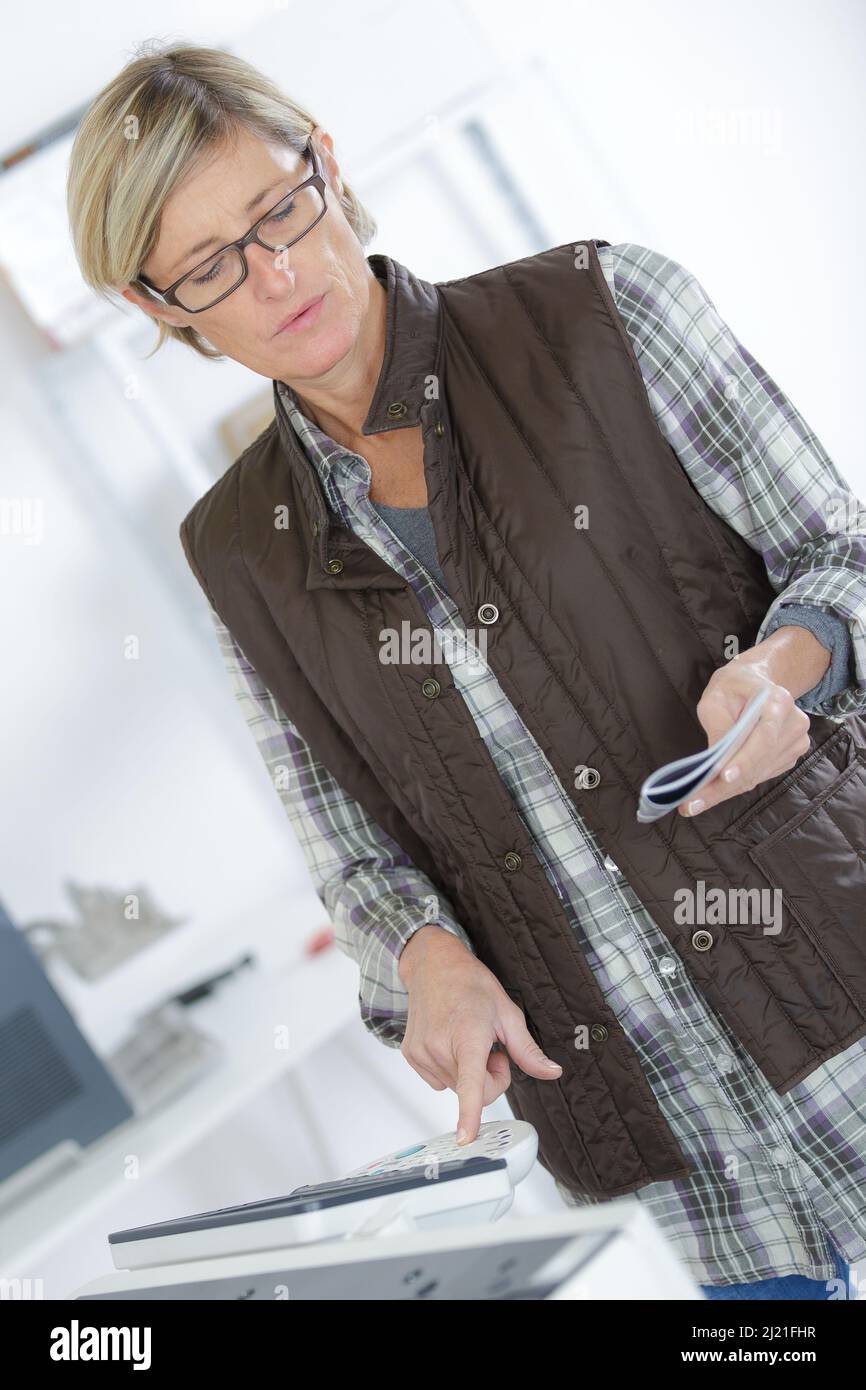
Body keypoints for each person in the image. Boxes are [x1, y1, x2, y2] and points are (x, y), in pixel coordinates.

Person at [66, 41, 866, 1299]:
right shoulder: (235, 553)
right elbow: (353, 854)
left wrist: (793, 660)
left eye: (279, 208)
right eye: (214, 264)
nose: (277, 275)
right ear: (159, 307)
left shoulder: (604, 311)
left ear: (325, 161)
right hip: (681, 1179)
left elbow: (844, 549)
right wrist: (422, 955)